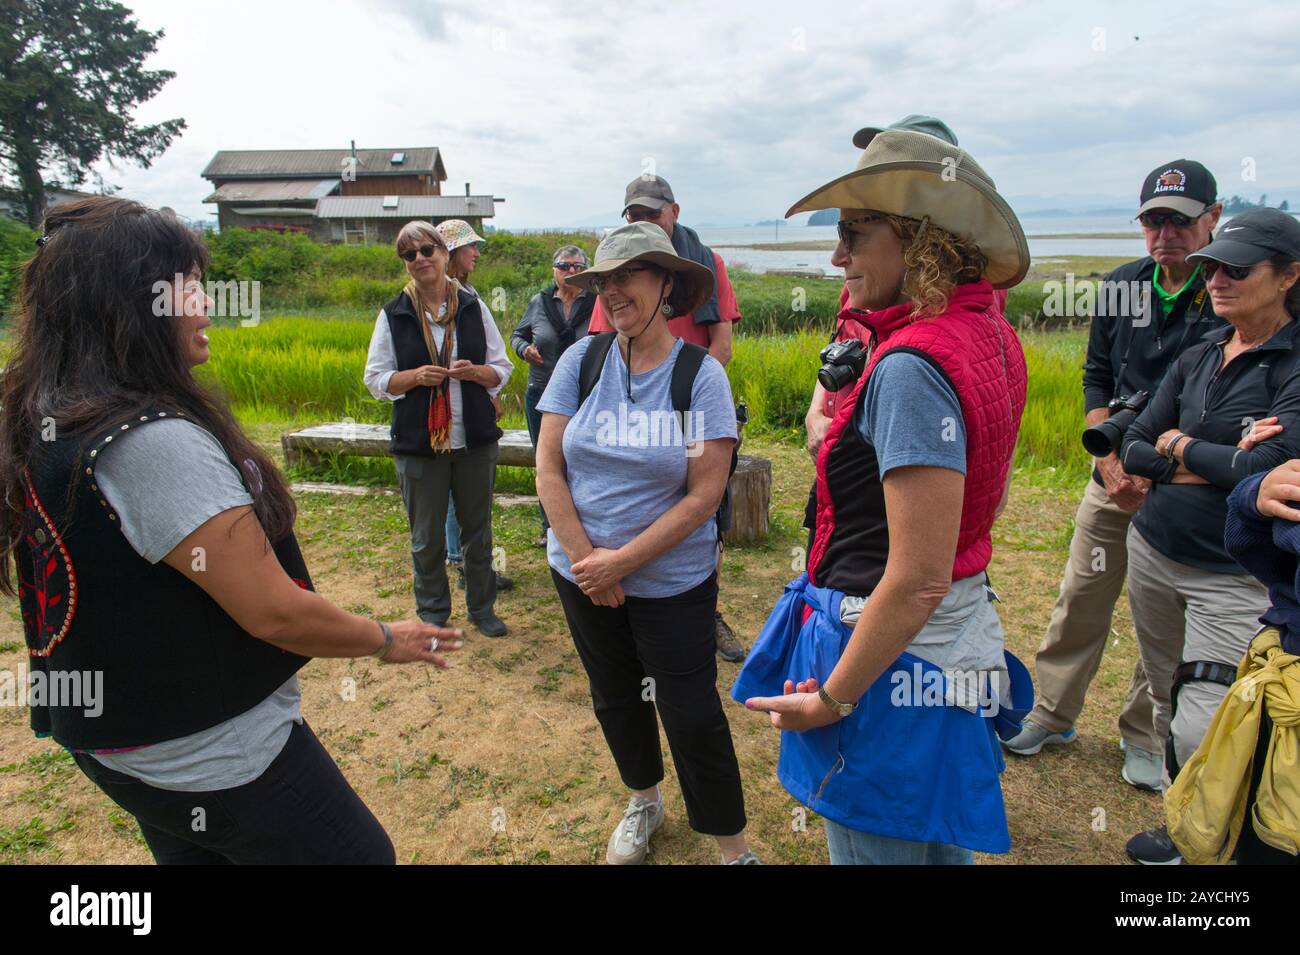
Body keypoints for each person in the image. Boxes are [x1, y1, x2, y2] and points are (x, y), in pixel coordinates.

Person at [1, 197, 462, 864]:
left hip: (120, 743)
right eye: (191, 285)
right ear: (135, 302)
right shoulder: (151, 442)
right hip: (212, 750)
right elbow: (274, 612)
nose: (208, 304)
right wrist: (384, 637)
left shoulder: (49, 415)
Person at [734, 129, 1030, 864]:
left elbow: (916, 575)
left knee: (876, 830)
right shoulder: (985, 325)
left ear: (920, 240)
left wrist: (832, 697)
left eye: (854, 236)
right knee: (932, 840)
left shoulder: (908, 367)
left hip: (894, 650)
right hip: (951, 637)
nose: (838, 258)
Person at [536, 222, 757, 865]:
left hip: (670, 582)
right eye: (604, 280)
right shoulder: (582, 361)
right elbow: (550, 468)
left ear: (667, 285)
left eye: (628, 275)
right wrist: (588, 564)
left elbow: (703, 493)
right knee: (616, 697)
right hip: (580, 573)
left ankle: (732, 848)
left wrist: (622, 563)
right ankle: (645, 801)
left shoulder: (700, 377)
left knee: (690, 713)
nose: (613, 290)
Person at [1005, 161, 1227, 795]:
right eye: (1154, 221)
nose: (1167, 235)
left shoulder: (1228, 292)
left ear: (1213, 220)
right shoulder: (1122, 286)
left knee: (1166, 618)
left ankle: (1146, 733)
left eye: (1181, 221)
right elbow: (1097, 376)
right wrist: (1107, 459)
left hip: (1188, 485)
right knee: (1082, 595)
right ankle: (1051, 713)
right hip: (1114, 472)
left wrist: (1167, 469)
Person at [1119, 206, 1300, 863]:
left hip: (1233, 575)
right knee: (1170, 699)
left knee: (1208, 720)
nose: (1218, 278)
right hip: (1154, 550)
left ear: (1289, 277)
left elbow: (1268, 472)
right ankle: (1187, 819)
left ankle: (1223, 840)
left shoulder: (1292, 365)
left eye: (1238, 267)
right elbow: (1135, 445)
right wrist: (1206, 458)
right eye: (1213, 266)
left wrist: (1177, 447)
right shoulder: (1203, 352)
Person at [588, 174, 747, 662]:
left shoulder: (708, 263)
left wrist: (691, 392)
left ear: (673, 212)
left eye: (652, 213)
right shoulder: (617, 270)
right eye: (634, 214)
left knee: (705, 511)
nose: (643, 220)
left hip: (693, 405)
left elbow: (721, 345)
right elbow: (602, 343)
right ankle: (622, 594)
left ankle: (705, 608)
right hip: (631, 407)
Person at [364, 221, 513, 637]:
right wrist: (413, 378)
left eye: (427, 250)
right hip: (419, 445)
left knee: (478, 533)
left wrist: (476, 372)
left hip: (474, 440)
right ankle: (433, 611)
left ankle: (482, 609)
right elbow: (376, 380)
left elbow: (502, 369)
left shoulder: (472, 306)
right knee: (426, 537)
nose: (420, 259)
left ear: (445, 254)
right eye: (409, 255)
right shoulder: (394, 313)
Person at [434, 218, 513, 594]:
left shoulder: (468, 296)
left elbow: (485, 357)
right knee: (463, 491)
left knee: (462, 490)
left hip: (466, 408)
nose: (476, 254)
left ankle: (463, 559)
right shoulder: (440, 298)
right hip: (442, 413)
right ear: (451, 254)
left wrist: (488, 392)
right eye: (470, 247)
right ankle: (466, 562)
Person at [510, 244, 596, 546]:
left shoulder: (597, 302)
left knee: (582, 458)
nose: (571, 271)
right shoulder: (539, 302)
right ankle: (550, 528)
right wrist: (524, 350)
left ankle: (584, 522)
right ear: (553, 270)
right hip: (542, 392)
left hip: (585, 395)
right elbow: (517, 336)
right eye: (564, 266)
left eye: (577, 266)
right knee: (545, 461)